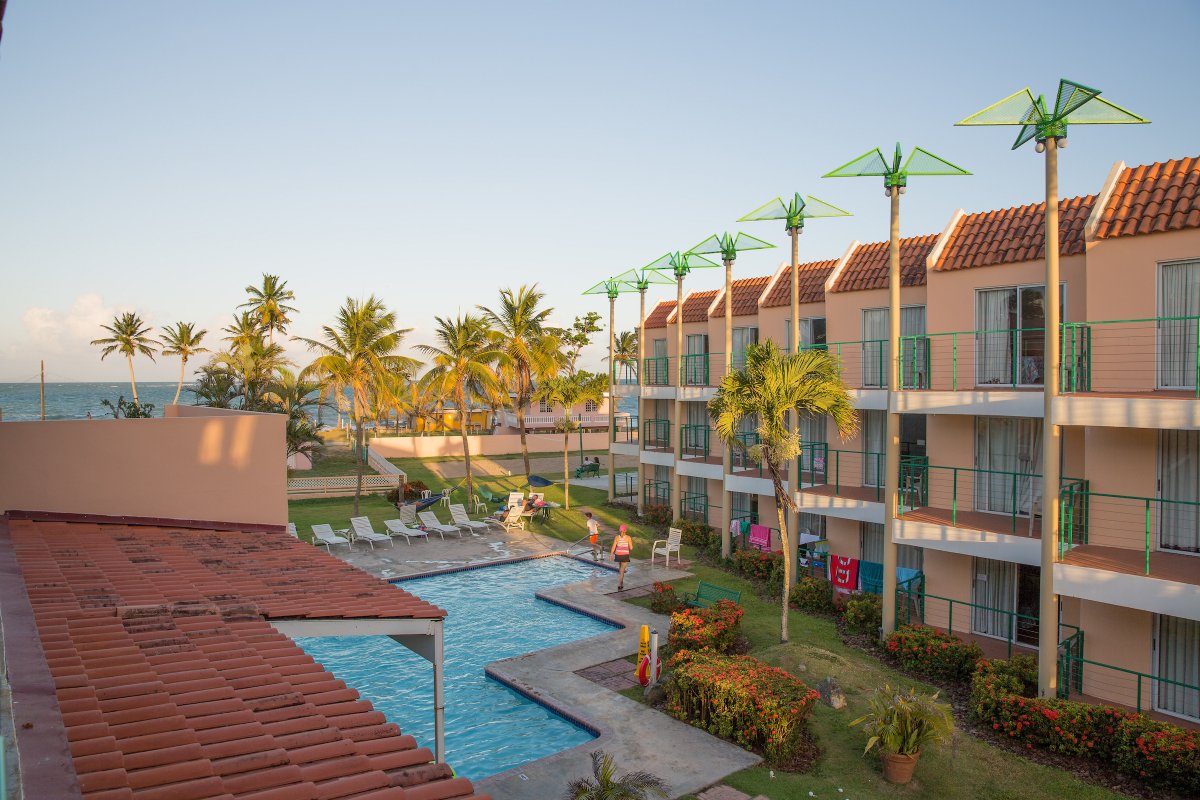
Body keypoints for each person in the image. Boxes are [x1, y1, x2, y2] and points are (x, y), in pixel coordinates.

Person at [610, 523, 633, 591]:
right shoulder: (628, 537)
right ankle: (620, 584)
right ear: (625, 531)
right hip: (625, 555)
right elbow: (631, 548)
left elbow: (614, 546)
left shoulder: (617, 537)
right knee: (622, 570)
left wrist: (611, 555)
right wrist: (630, 546)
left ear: (620, 530)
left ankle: (622, 582)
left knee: (621, 569)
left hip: (618, 555)